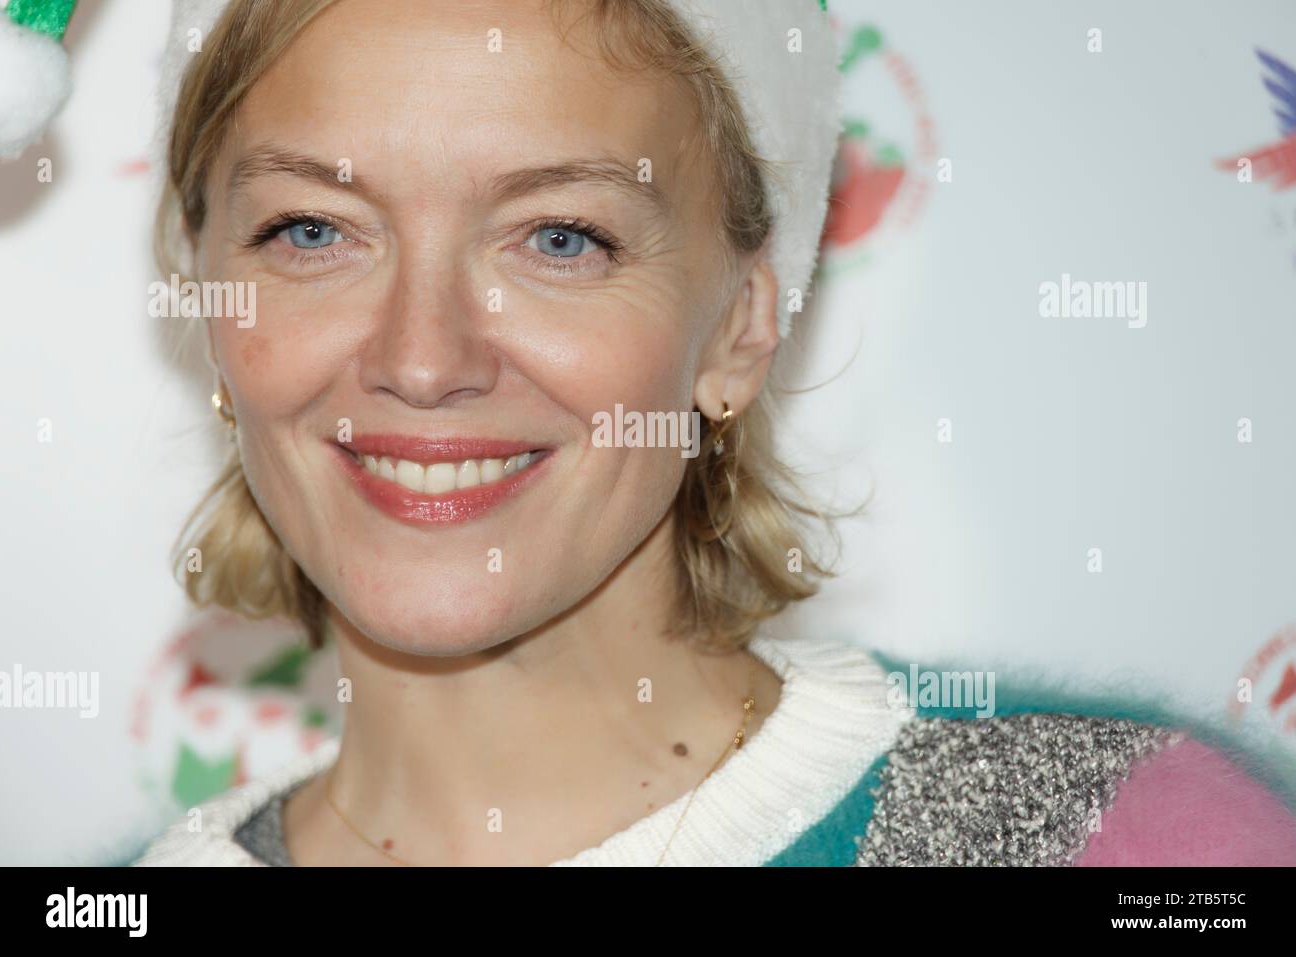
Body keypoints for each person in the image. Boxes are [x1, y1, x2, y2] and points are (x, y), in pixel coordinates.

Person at [126, 0, 1296, 867]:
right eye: (312, 233)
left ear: (740, 329)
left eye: (560, 238)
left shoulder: (1108, 839)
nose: (422, 361)